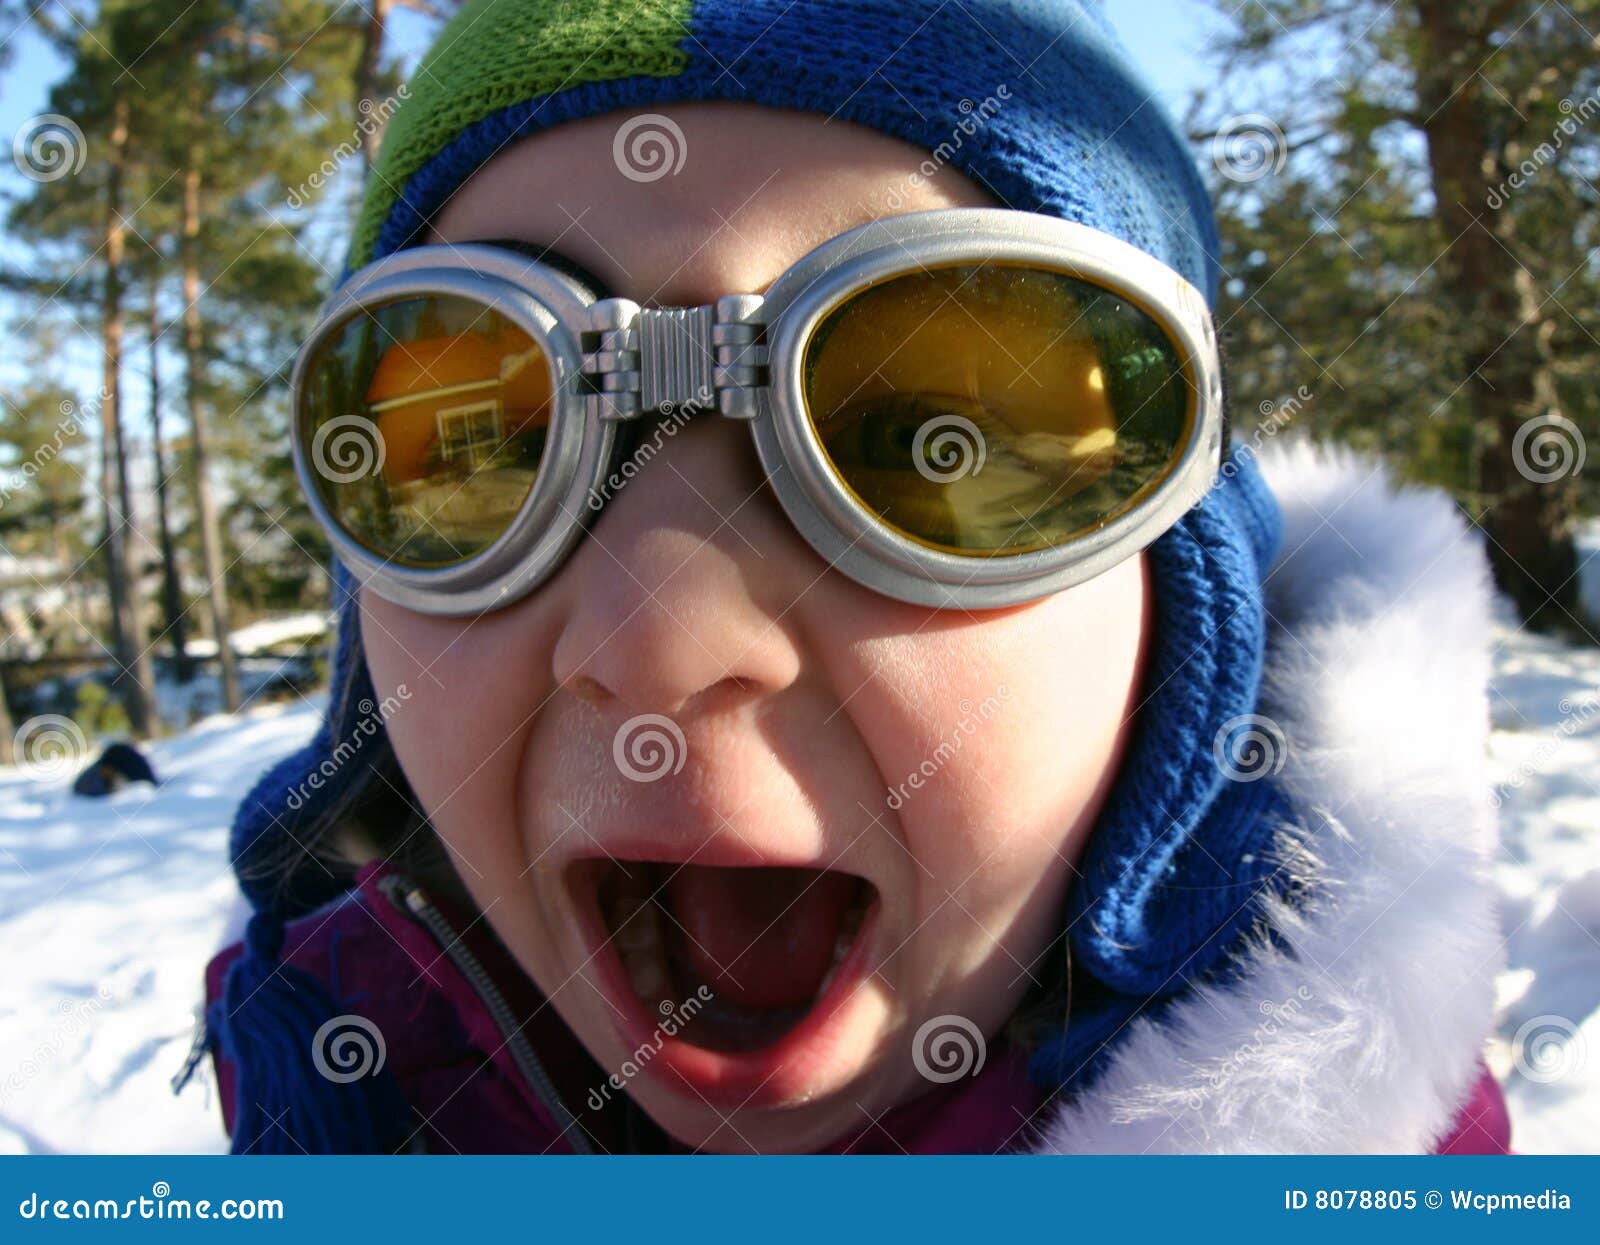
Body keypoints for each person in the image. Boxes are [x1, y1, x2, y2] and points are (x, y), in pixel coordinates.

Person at [188, 0, 1510, 1154]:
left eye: (934, 438)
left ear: (1182, 604)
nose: (658, 642)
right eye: (486, 445)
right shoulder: (339, 1091)